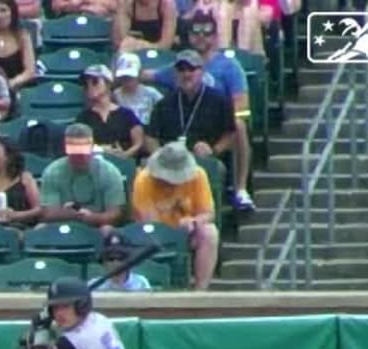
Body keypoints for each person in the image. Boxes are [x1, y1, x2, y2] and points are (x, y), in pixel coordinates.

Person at [148, 14, 253, 211]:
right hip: (182, 135)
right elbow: (147, 75)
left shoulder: (229, 66)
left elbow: (242, 103)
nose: (201, 37)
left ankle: (240, 189)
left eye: (207, 32)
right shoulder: (176, 72)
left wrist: (215, 145)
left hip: (218, 126)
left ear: (215, 36)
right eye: (196, 32)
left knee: (237, 124)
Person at [131, 141, 220, 291]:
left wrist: (194, 221)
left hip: (188, 233)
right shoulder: (144, 180)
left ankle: (200, 292)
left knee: (210, 233)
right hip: (153, 236)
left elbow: (209, 213)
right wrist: (172, 207)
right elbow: (149, 222)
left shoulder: (198, 175)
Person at [38, 124, 128, 234]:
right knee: (40, 228)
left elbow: (114, 214)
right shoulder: (52, 171)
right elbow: (48, 214)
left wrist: (91, 217)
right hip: (61, 225)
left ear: (92, 147)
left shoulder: (109, 171)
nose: (79, 155)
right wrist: (70, 214)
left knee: (108, 230)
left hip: (97, 225)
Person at [75, 65, 145, 159]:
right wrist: (101, 150)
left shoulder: (126, 114)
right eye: (86, 84)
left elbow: (139, 142)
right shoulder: (83, 118)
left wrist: (125, 155)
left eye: (95, 81)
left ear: (108, 84)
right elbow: (78, 145)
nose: (90, 86)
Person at [112, 52, 163, 125]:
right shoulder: (116, 95)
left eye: (130, 78)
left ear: (139, 74)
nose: (127, 81)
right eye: (124, 78)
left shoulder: (151, 92)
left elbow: (165, 107)